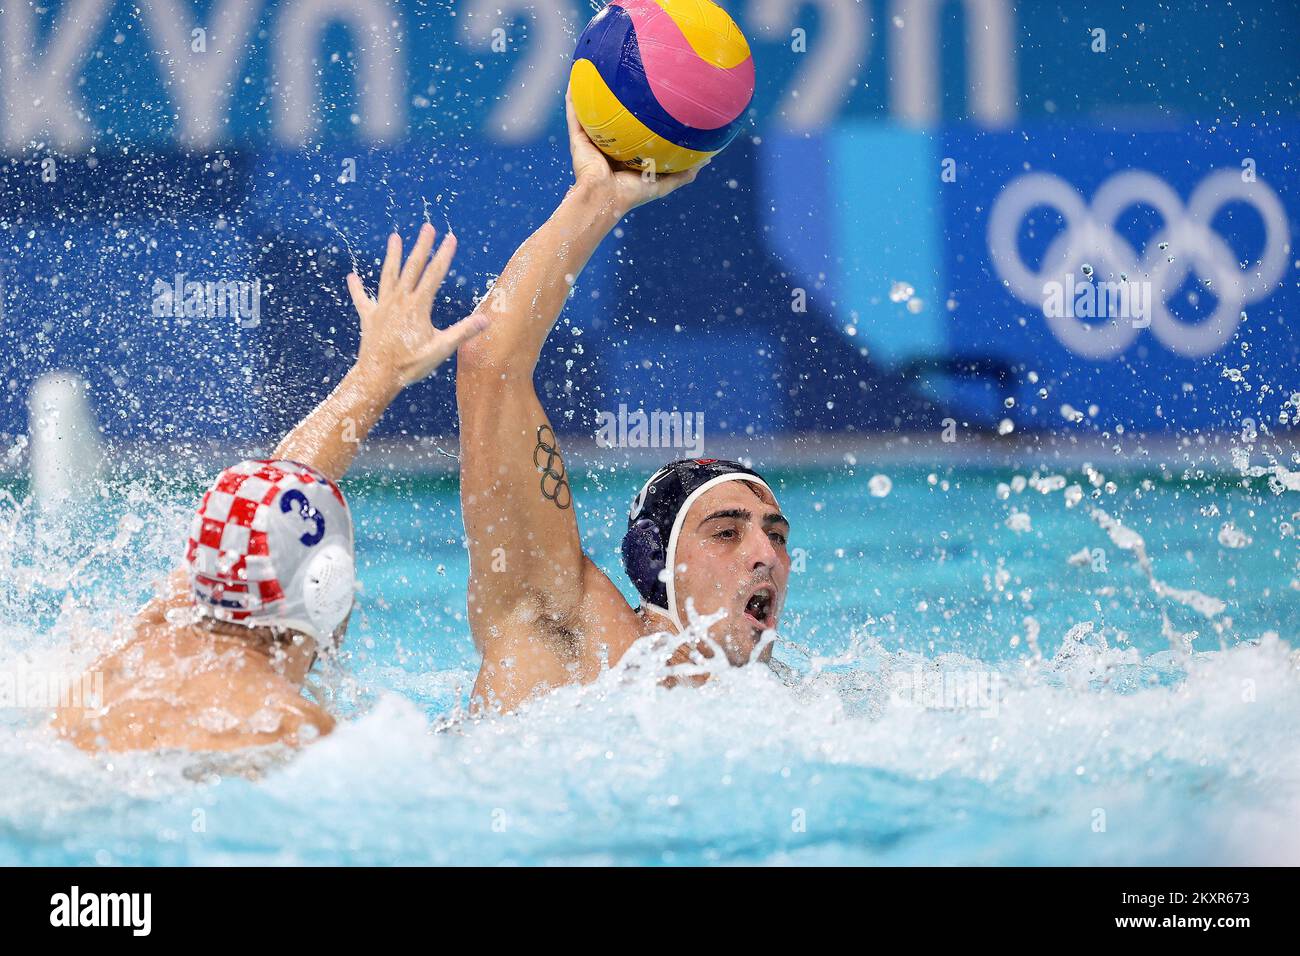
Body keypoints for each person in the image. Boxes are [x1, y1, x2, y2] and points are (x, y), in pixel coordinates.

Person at [54, 225, 485, 752]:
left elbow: (261, 506)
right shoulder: (289, 731)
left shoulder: (121, 666)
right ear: (330, 588)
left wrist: (376, 374)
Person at [457, 96, 792, 712]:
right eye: (725, 533)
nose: (764, 555)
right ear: (654, 565)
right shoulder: (575, 636)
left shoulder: (795, 705)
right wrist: (597, 199)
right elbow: (490, 366)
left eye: (776, 534)